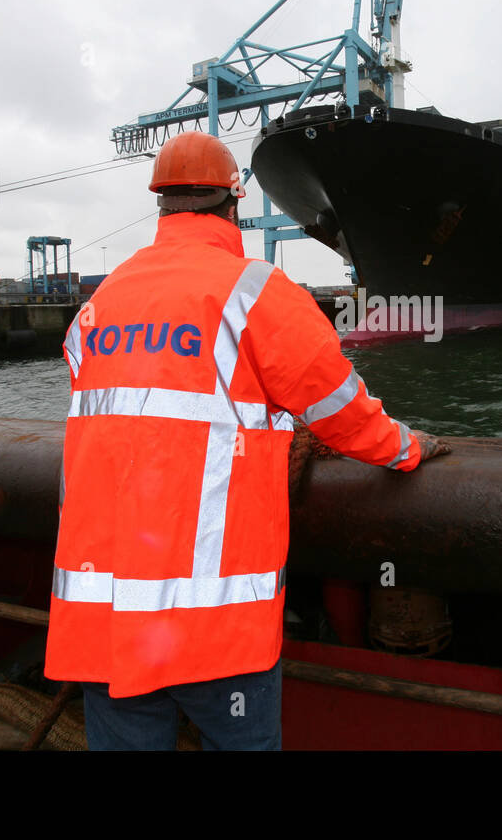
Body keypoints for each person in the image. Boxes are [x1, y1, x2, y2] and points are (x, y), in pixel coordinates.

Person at [44, 130, 448, 750]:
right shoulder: (255, 292)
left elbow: (127, 416)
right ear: (233, 204)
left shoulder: (102, 303)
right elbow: (341, 408)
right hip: (216, 627)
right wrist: (409, 448)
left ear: (161, 207)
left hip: (104, 624)